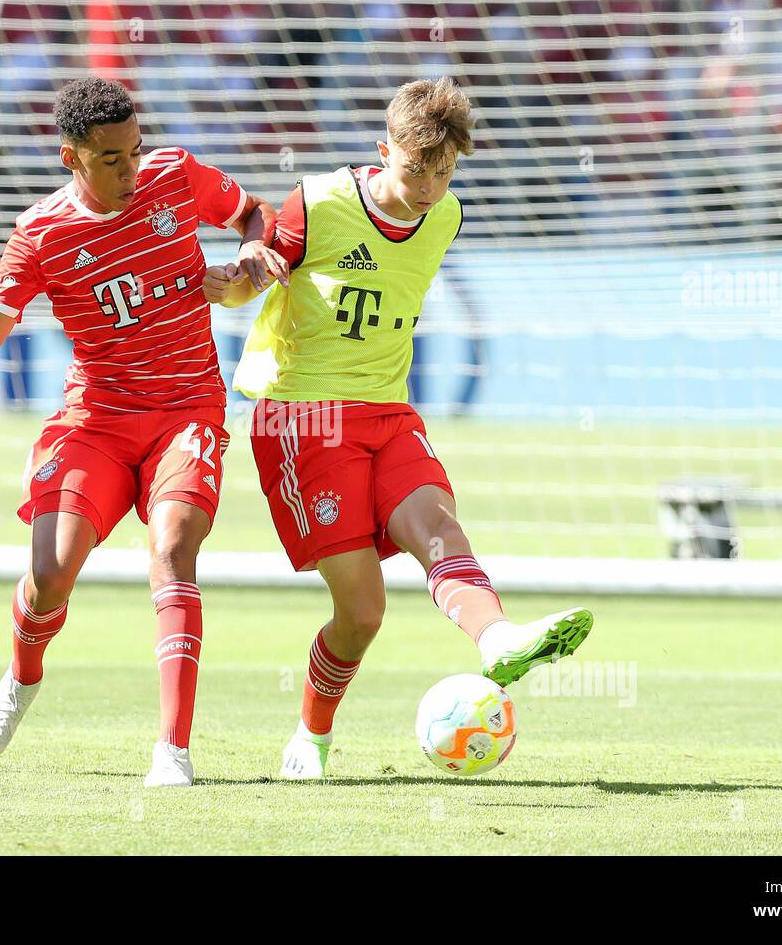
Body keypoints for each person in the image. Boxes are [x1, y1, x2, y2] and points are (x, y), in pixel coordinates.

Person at [0, 76, 288, 787]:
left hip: (187, 410)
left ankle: (172, 751)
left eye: (135, 151)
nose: (131, 170)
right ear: (70, 157)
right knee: (50, 575)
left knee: (174, 549)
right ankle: (21, 678)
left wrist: (250, 257)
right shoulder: (40, 236)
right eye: (111, 159)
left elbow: (255, 213)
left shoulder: (176, 176)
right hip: (97, 419)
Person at [206, 77, 594, 780]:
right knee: (362, 612)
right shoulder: (317, 203)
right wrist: (230, 279)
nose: (430, 189)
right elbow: (247, 286)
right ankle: (313, 735)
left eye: (444, 173)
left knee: (438, 526)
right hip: (306, 417)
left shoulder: (446, 217)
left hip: (388, 410)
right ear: (384, 151)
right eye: (417, 171)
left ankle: (498, 639)